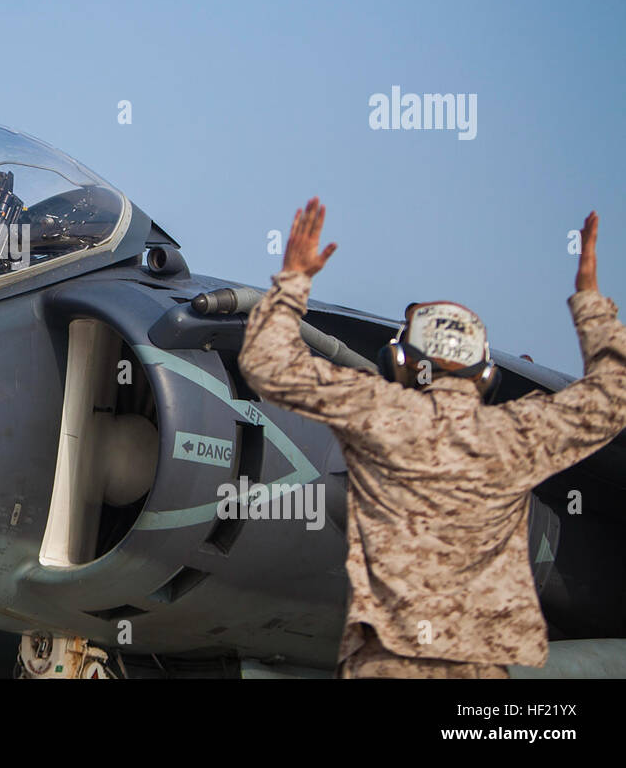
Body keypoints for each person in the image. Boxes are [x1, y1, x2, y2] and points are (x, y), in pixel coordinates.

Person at [238, 198, 626, 678]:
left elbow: (269, 364)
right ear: (486, 373)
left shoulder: (379, 412)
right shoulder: (517, 433)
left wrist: (294, 280)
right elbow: (611, 397)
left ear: (399, 362)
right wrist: (590, 299)